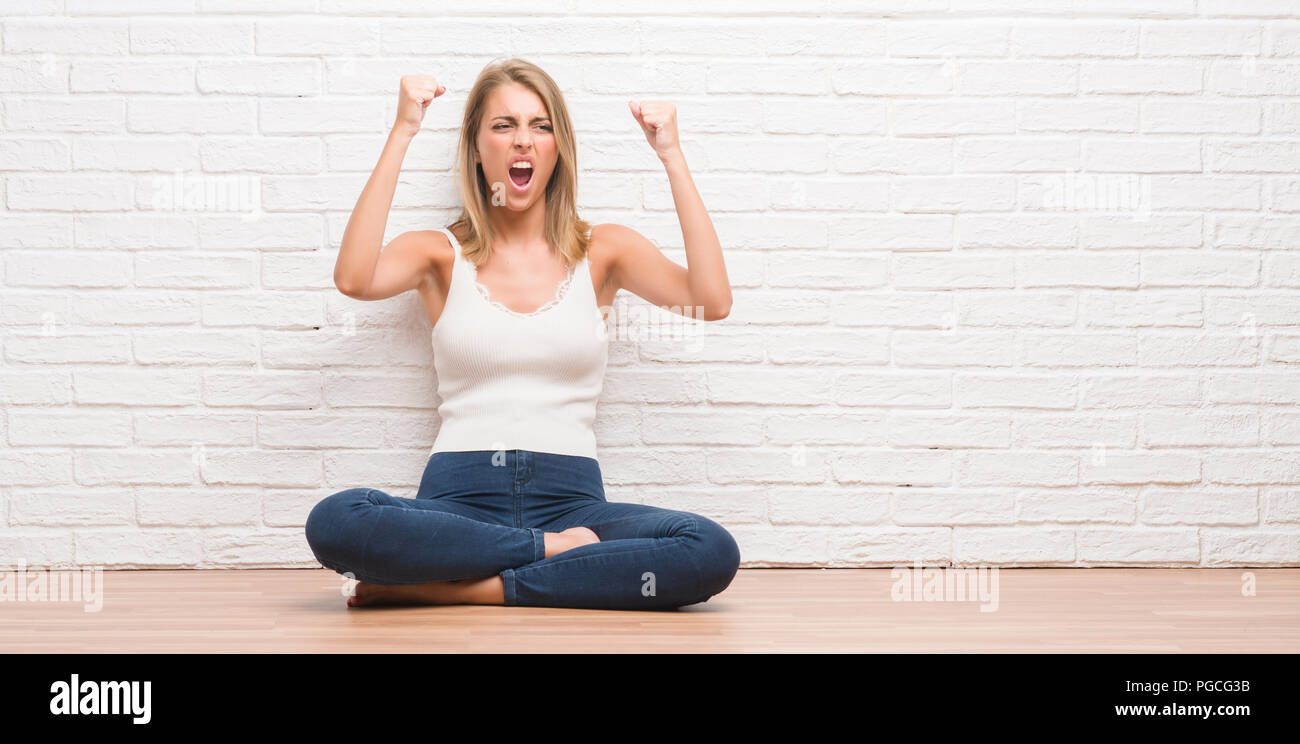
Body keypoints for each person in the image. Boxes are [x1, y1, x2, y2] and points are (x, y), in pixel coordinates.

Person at [305, 58, 739, 610]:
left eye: (540, 125)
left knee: (708, 549)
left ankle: (470, 589)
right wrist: (403, 130)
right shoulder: (439, 253)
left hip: (573, 502)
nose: (523, 142)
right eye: (503, 125)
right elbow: (353, 278)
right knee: (337, 520)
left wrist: (672, 155)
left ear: (559, 147)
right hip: (457, 501)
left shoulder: (604, 250)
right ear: (476, 145)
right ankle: (551, 554)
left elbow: (713, 301)